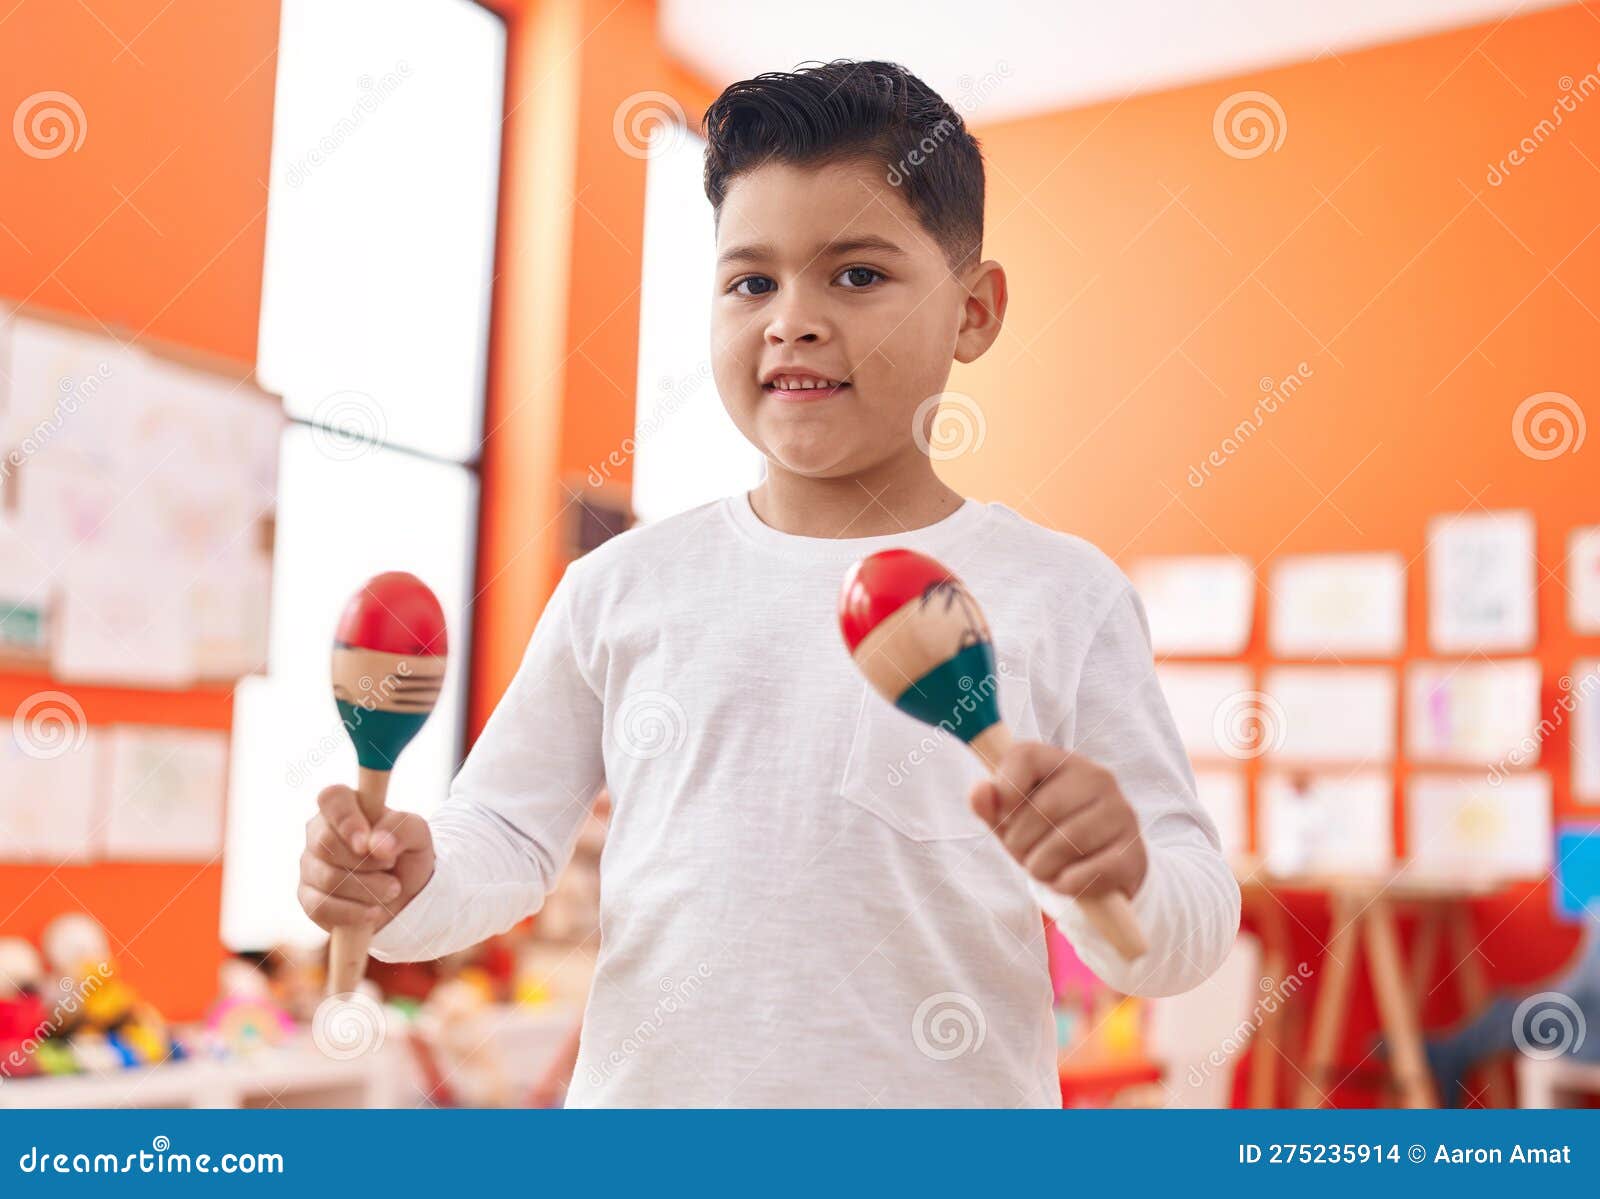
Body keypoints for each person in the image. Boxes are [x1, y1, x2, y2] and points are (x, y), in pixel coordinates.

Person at [298, 59, 1239, 1107]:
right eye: (751, 281)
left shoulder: (1063, 593)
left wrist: (1127, 876)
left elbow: (1179, 933)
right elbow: (505, 838)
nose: (790, 318)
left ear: (973, 311)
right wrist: (408, 880)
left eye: (856, 275)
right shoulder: (618, 587)